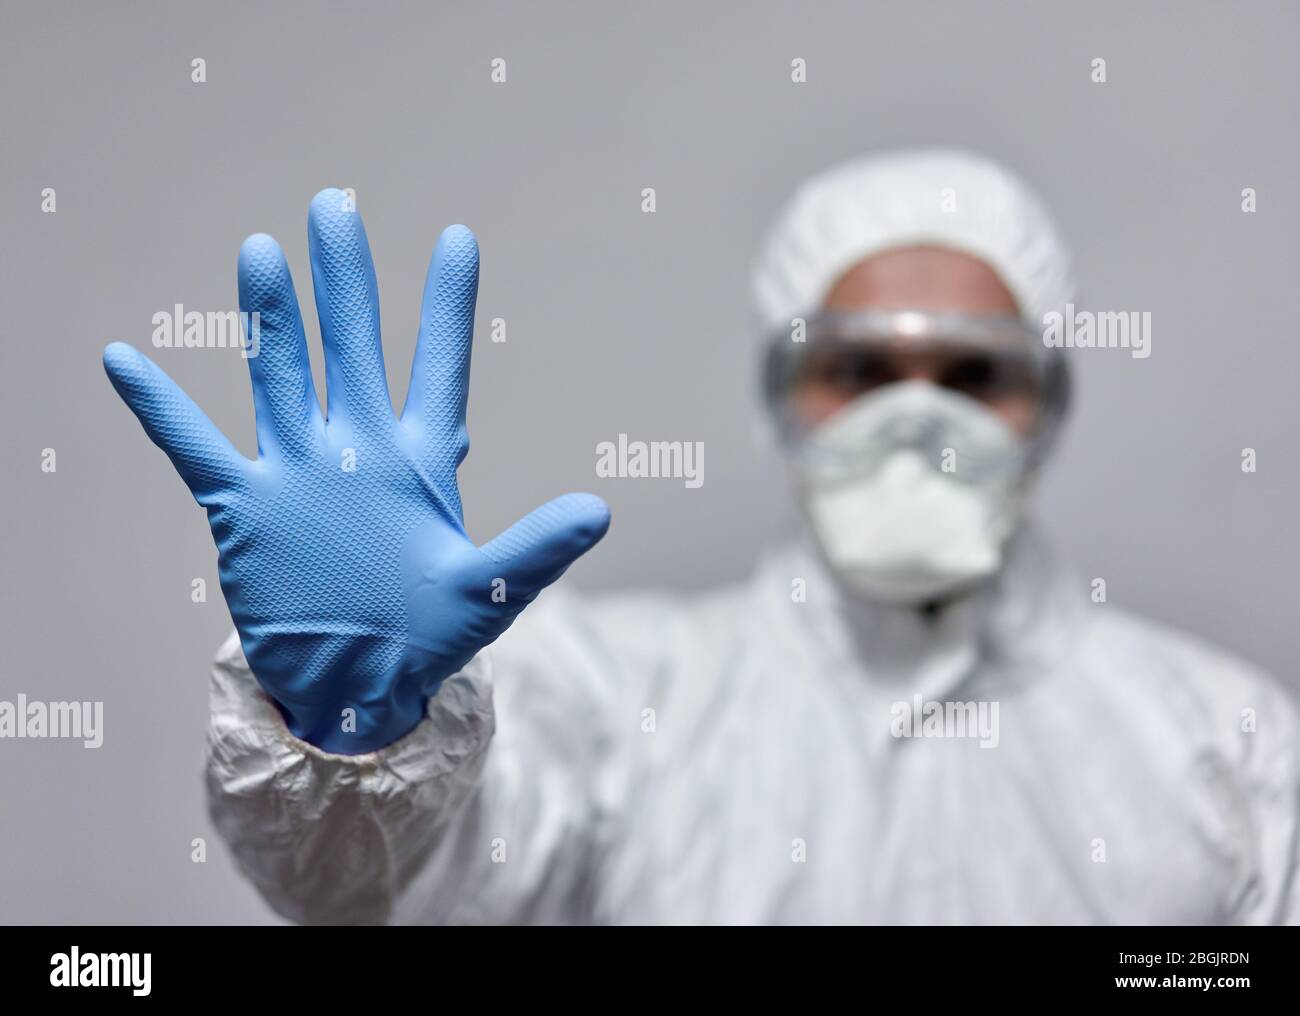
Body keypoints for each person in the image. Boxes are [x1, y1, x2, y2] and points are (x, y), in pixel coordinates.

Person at [104, 149, 1299, 924]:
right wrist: (351, 730)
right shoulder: (612, 700)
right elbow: (379, 894)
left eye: (973, 371)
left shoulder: (1223, 745)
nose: (916, 416)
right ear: (782, 396)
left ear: (1047, 402)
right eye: (860, 368)